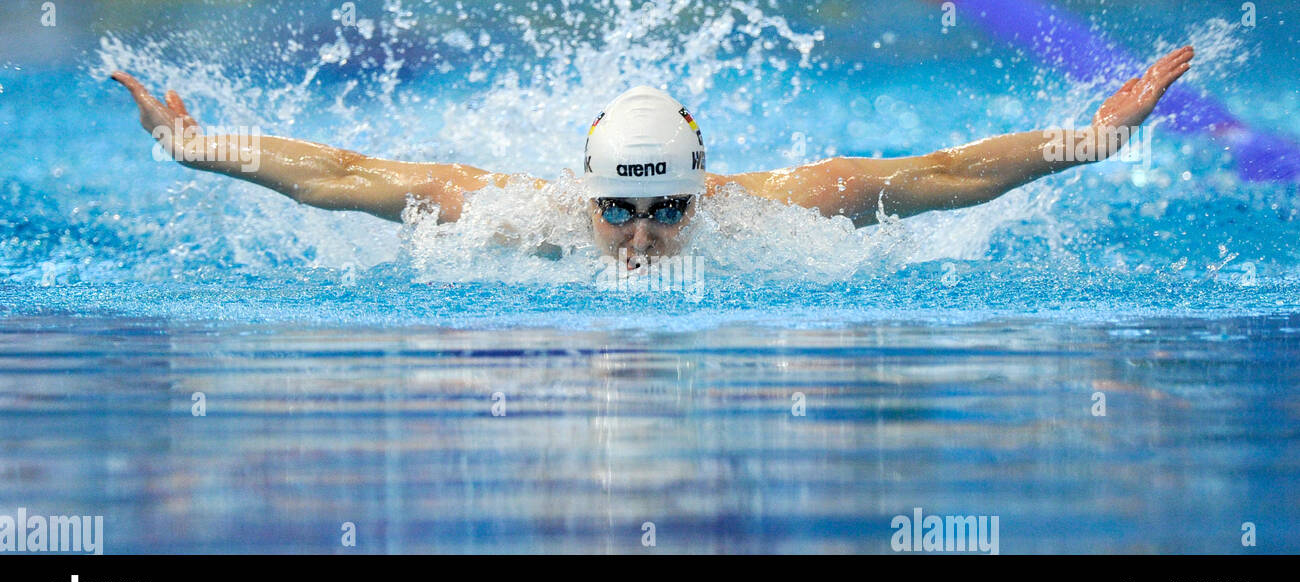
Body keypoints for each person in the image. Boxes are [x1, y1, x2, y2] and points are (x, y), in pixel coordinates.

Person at [110, 46, 1193, 269]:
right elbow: (344, 173)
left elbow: (954, 172)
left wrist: (1095, 135)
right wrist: (201, 145)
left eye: (665, 212)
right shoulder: (512, 214)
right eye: (618, 214)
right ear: (582, 195)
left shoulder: (782, 209)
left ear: (700, 188)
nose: (638, 240)